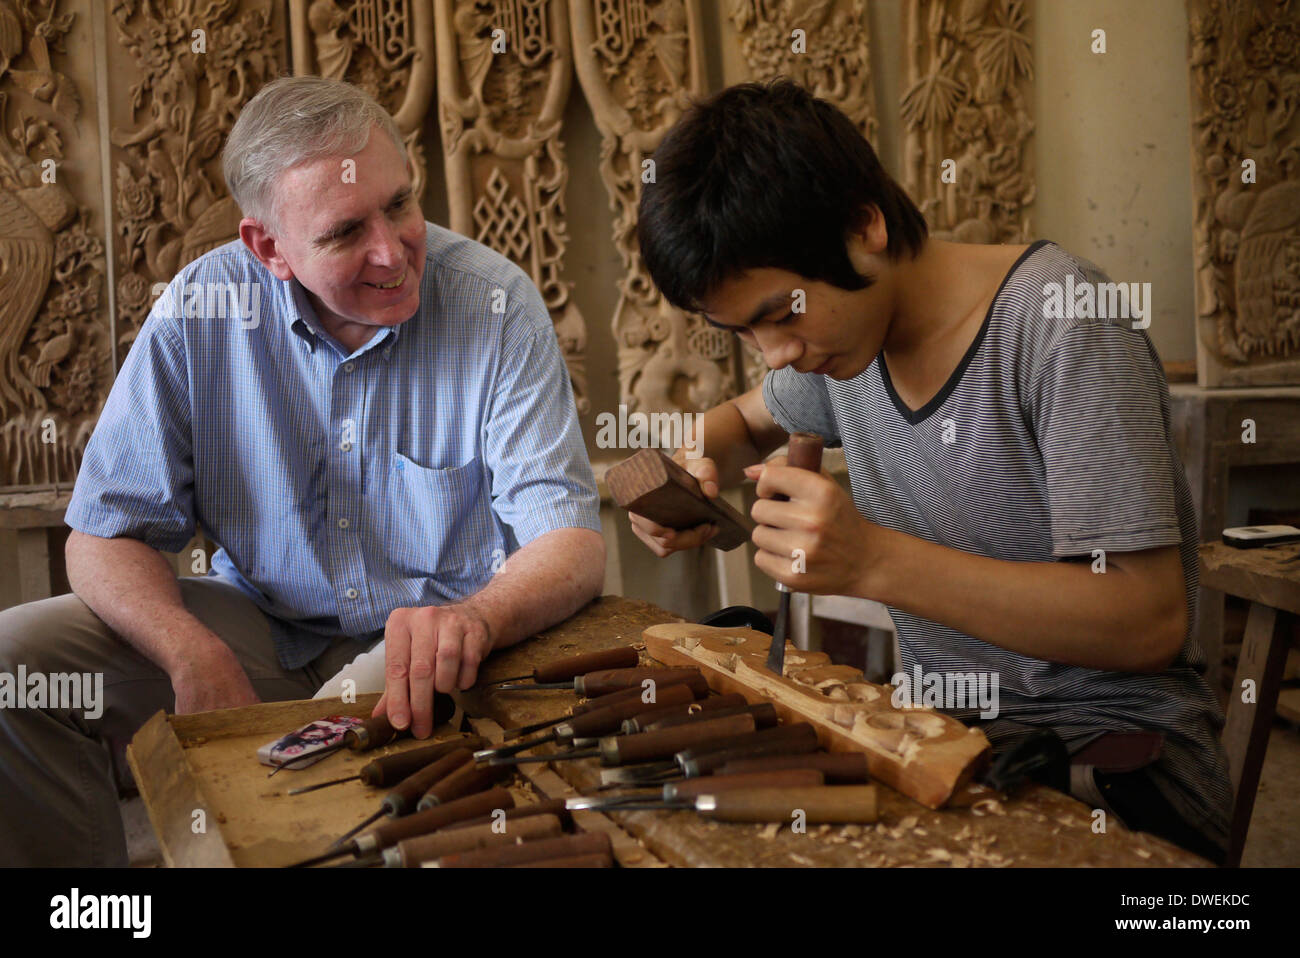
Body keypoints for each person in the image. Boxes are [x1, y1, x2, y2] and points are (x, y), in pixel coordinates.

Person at [0, 76, 604, 866]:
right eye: (346, 231)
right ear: (268, 248)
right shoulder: (201, 310)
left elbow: (572, 541)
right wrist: (192, 653)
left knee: (306, 773)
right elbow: (102, 537)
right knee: (14, 667)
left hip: (436, 640)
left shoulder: (495, 305)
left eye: (401, 204)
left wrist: (478, 618)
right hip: (263, 627)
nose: (392, 250)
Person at [629, 79, 1231, 863]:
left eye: (781, 314)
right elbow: (745, 422)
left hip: (1115, 763)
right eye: (746, 332)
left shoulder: (1060, 322)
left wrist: (874, 561)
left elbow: (1145, 618)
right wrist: (687, 466)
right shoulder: (845, 345)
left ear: (864, 226)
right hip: (942, 743)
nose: (777, 352)